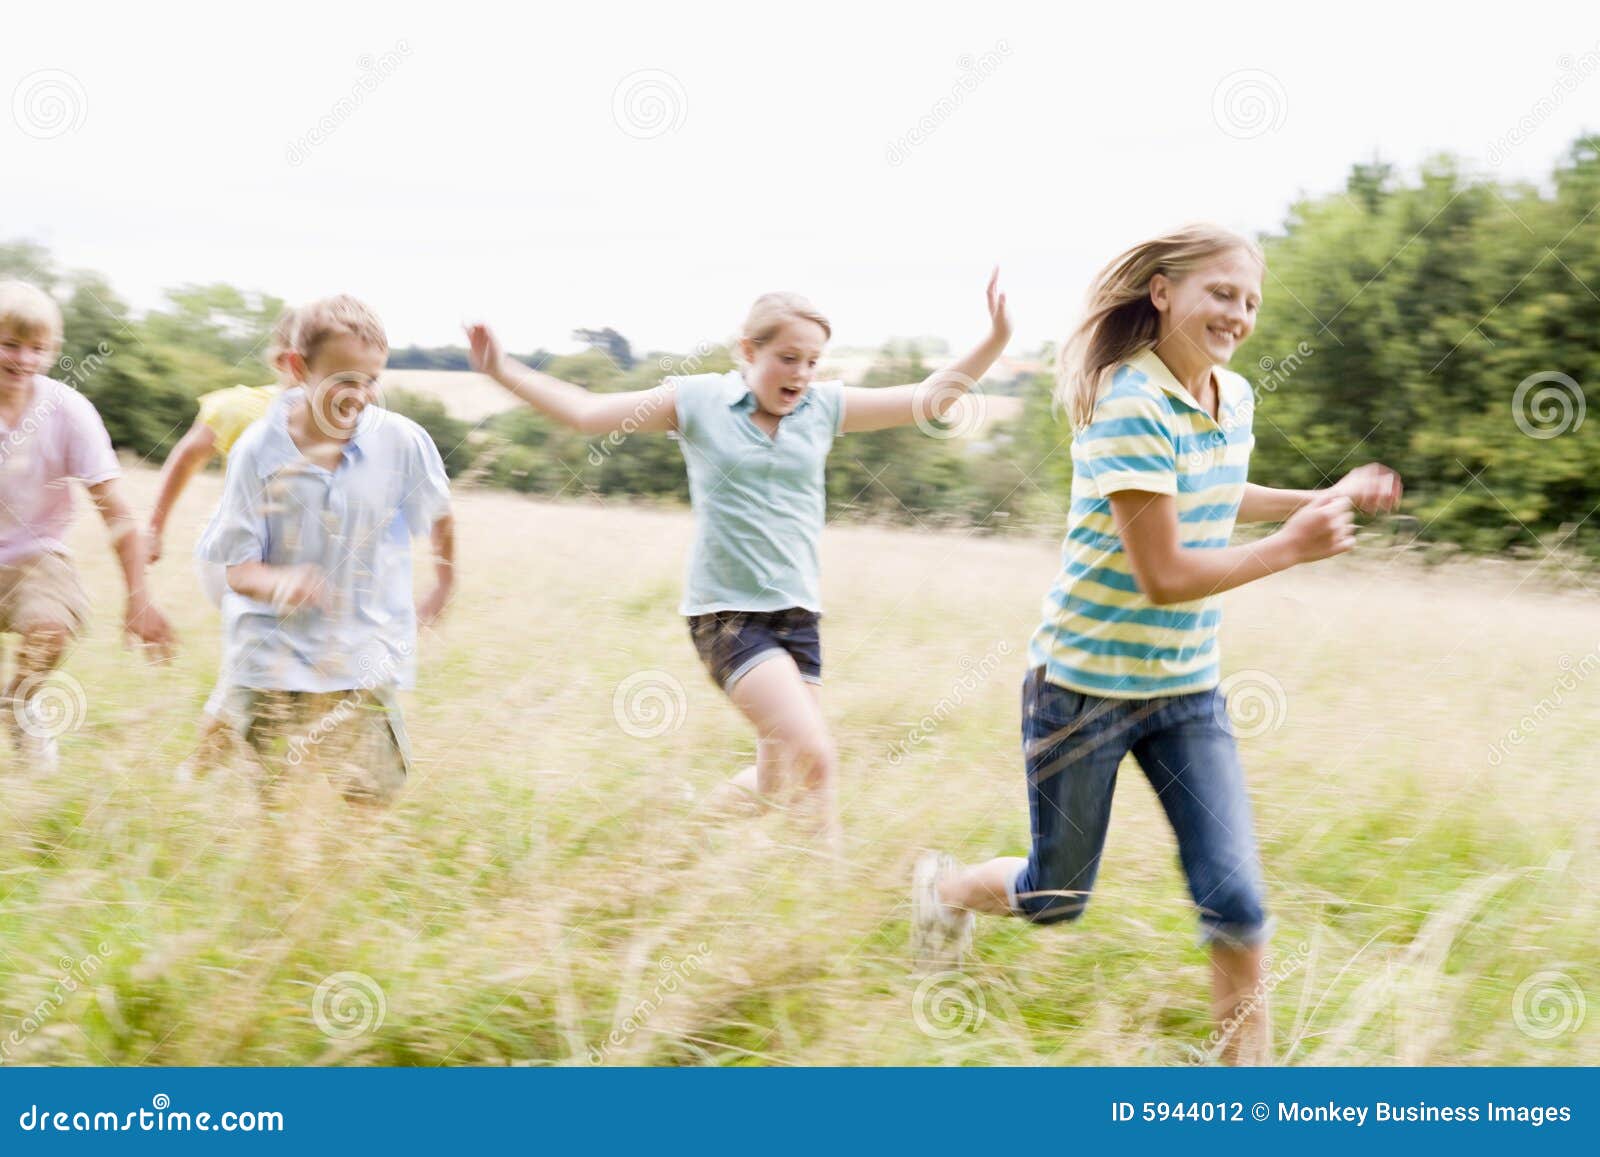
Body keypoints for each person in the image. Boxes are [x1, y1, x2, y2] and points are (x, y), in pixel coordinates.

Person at [910, 226, 1402, 1065]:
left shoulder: (1232, 396)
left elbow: (1217, 486)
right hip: (1083, 688)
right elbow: (1163, 573)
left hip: (1187, 693)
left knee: (1237, 901)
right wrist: (1294, 547)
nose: (1239, 314)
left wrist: (1321, 494)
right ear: (1163, 292)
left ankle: (1245, 1096)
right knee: (1055, 896)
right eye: (1221, 293)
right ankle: (947, 889)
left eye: (1250, 300)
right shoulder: (1128, 400)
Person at [466, 272, 1012, 844]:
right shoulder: (697, 400)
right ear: (748, 351)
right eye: (788, 357)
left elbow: (930, 399)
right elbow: (585, 411)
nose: (801, 373)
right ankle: (825, 900)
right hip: (728, 615)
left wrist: (997, 336)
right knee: (815, 760)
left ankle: (676, 847)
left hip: (799, 615)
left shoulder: (824, 407)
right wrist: (502, 368)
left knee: (775, 781)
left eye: (812, 361)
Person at [196, 295, 454, 805]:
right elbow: (238, 570)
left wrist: (445, 582)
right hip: (270, 652)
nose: (358, 396)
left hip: (361, 651)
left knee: (374, 793)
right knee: (274, 800)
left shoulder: (402, 440)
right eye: (343, 380)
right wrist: (282, 583)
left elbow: (441, 512)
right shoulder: (257, 450)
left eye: (371, 380)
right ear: (297, 367)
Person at [0, 280, 176, 770]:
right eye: (9, 344)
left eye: (38, 348)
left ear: (54, 351)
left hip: (35, 555)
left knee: (51, 628)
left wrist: (139, 597)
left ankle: (19, 704)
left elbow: (116, 510)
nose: (23, 359)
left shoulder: (68, 411)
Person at [146, 306, 297, 779]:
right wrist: (154, 526)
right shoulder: (244, 408)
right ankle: (199, 772)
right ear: (289, 361)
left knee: (279, 665)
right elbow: (186, 458)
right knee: (261, 658)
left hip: (285, 565)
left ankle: (235, 768)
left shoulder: (354, 417)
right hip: (230, 556)